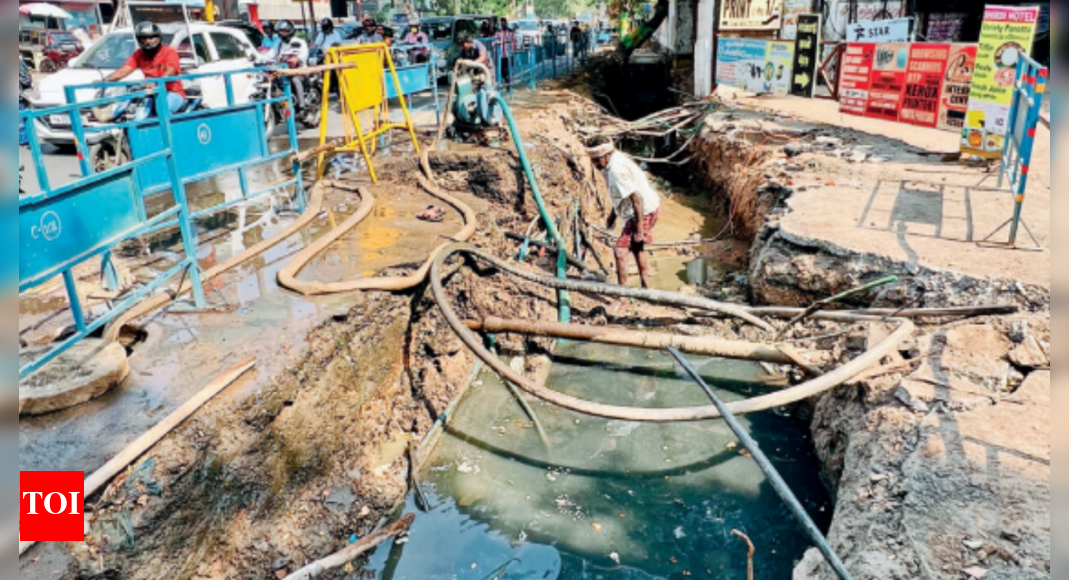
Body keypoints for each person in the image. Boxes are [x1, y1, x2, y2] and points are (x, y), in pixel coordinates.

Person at [587, 137, 661, 290]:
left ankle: (622, 295)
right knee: (636, 248)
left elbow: (637, 198)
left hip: (642, 211)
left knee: (620, 251)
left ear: (606, 155)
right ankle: (646, 288)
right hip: (647, 206)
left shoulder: (616, 170)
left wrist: (640, 229)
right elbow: (623, 194)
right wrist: (612, 215)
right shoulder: (612, 162)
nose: (594, 164)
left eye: (596, 160)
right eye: (592, 160)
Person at [106, 22, 186, 120]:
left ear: (158, 37)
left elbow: (170, 71)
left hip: (171, 92)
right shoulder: (139, 54)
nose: (148, 41)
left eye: (151, 38)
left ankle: (168, 134)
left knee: (162, 109)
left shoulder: (169, 52)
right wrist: (105, 80)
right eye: (144, 38)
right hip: (149, 92)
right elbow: (124, 70)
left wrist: (157, 82)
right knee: (125, 108)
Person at [270, 20, 309, 110]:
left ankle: (301, 105)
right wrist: (257, 57)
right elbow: (270, 54)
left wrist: (297, 58)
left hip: (299, 70)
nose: (282, 34)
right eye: (280, 32)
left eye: (284, 31)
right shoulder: (279, 43)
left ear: (290, 31)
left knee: (295, 80)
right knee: (270, 80)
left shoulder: (299, 42)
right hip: (283, 71)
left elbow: (304, 54)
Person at [494, 18, 517, 85]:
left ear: (506, 23)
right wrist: (496, 44)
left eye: (504, 23)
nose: (503, 24)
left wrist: (515, 48)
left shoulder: (511, 31)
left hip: (509, 53)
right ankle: (507, 80)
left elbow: (514, 40)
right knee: (501, 70)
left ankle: (509, 83)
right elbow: (494, 41)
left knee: (508, 69)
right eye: (501, 23)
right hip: (500, 54)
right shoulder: (498, 32)